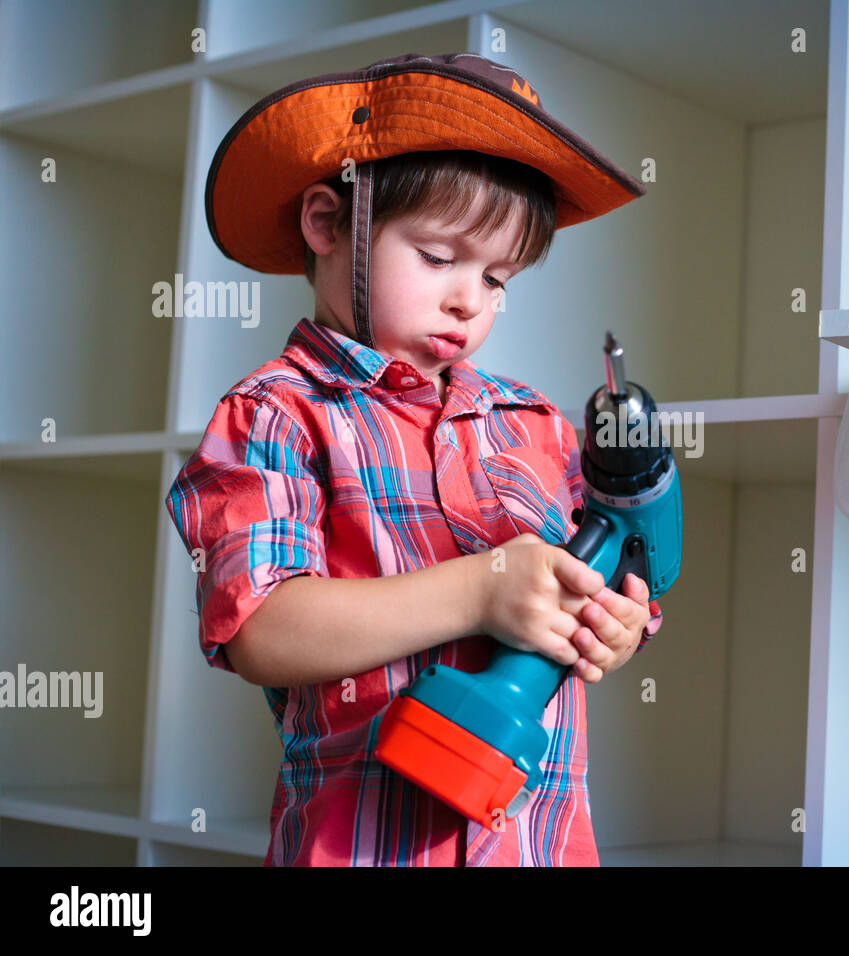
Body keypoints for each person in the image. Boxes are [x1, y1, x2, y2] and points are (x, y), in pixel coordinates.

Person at [166, 52, 662, 866]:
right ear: (328, 225)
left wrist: (609, 627)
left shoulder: (530, 420)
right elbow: (258, 630)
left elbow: (600, 589)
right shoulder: (275, 415)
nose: (471, 299)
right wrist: (482, 589)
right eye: (439, 258)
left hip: (536, 843)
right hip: (367, 845)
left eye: (498, 278)